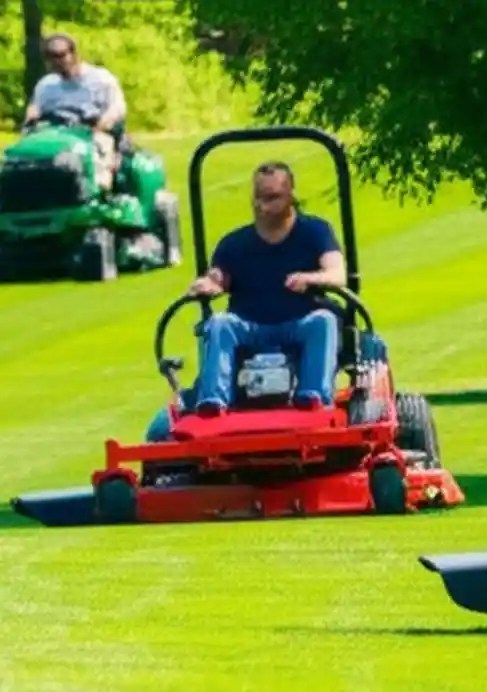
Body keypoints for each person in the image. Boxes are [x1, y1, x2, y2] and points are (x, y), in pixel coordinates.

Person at [143, 161, 345, 440]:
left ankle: (313, 397)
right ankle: (213, 402)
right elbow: (218, 278)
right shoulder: (235, 243)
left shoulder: (315, 232)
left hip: (299, 323)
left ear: (290, 196)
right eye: (259, 198)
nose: (263, 206)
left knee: (324, 320)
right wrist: (208, 284)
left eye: (273, 198)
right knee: (219, 323)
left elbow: (337, 273)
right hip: (250, 327)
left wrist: (311, 279)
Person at [24, 33, 126, 192]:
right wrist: (32, 115)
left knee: (97, 150)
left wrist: (103, 123)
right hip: (56, 134)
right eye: (50, 57)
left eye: (60, 55)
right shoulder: (46, 85)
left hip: (92, 131)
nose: (56, 61)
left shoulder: (101, 79)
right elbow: (35, 108)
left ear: (74, 54)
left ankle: (100, 193)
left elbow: (116, 108)